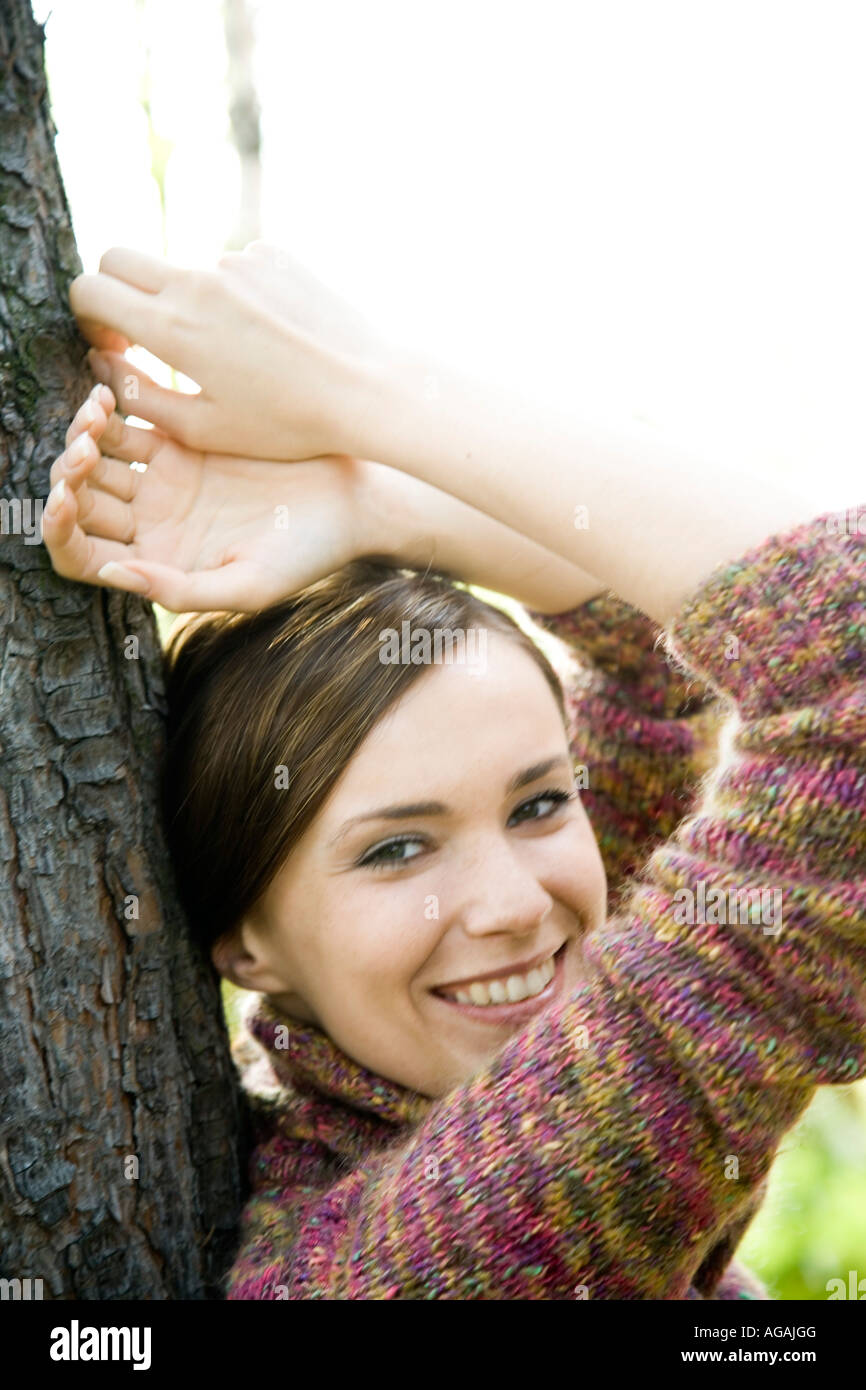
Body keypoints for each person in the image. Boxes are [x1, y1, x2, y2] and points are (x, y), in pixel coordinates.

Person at [42, 243, 866, 1299]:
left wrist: (372, 508)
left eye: (536, 801)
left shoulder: (459, 1061)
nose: (518, 905)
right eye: (395, 846)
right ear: (243, 937)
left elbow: (656, 672)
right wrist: (359, 389)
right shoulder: (410, 1261)